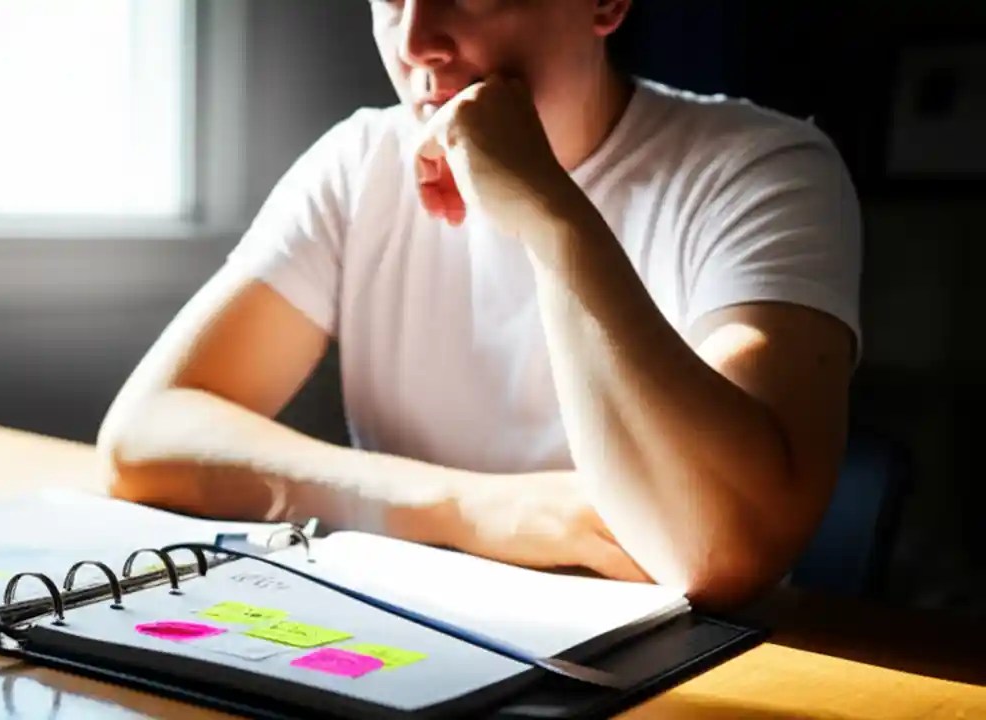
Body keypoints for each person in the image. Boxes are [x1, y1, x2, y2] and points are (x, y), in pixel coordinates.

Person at [96, 0, 861, 610]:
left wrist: (551, 216)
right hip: (419, 624)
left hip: (694, 666)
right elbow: (145, 434)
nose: (416, 41)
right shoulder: (361, 163)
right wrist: (475, 510)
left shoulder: (761, 169)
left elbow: (723, 550)